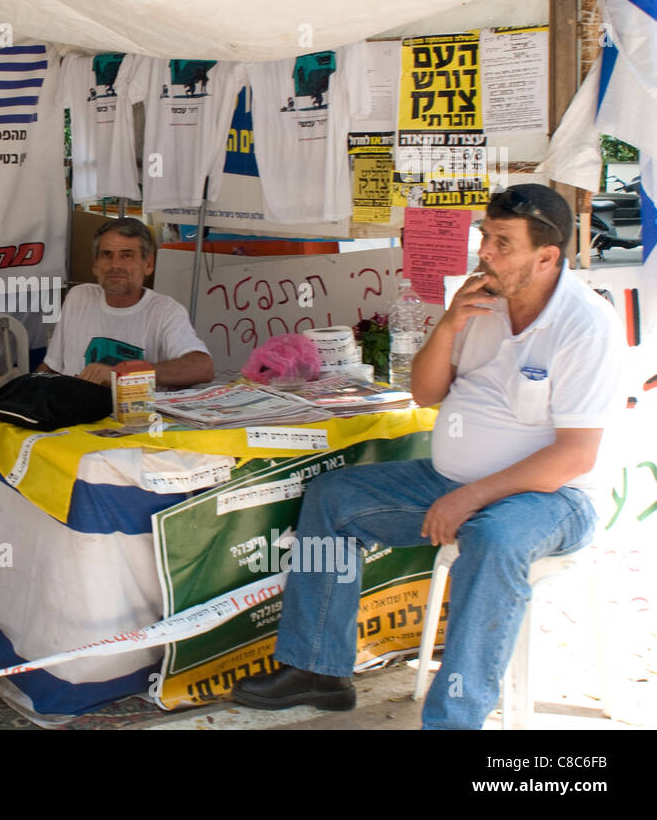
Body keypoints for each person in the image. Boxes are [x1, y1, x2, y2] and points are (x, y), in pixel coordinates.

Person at [231, 184, 626, 729]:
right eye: (485, 236)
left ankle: (453, 719)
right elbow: (425, 393)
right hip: (452, 481)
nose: (485, 251)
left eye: (502, 243)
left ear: (547, 257)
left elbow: (576, 456)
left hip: (552, 498)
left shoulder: (585, 325)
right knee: (333, 499)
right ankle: (318, 669)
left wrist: (472, 496)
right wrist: (448, 324)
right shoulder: (481, 301)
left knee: (492, 538)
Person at [37, 217, 214, 388]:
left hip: (133, 416)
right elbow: (52, 367)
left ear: (148, 265)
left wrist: (121, 374)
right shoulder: (78, 297)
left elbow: (202, 367)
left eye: (126, 256)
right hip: (74, 414)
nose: (115, 265)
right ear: (95, 264)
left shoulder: (165, 311)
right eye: (107, 254)